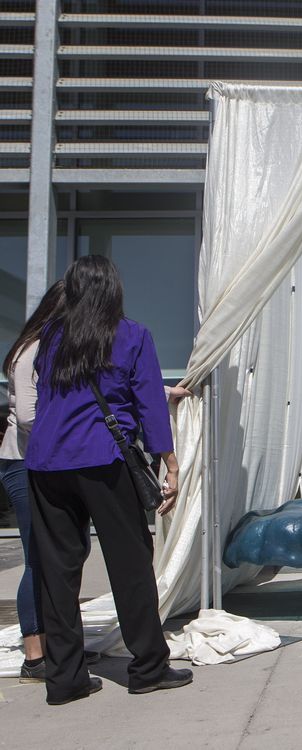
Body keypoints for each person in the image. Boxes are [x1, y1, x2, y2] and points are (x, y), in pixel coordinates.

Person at [25, 256, 193, 704]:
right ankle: (148, 668)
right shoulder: (132, 335)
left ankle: (65, 680)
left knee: (57, 573)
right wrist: (169, 464)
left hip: (45, 463)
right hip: (102, 460)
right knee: (130, 564)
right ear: (113, 290)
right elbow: (149, 409)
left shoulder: (52, 337)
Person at [0, 281, 66, 682]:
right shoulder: (32, 351)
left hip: (40, 463)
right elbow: (27, 416)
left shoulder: (50, 348)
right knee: (37, 559)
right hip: (24, 463)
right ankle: (35, 656)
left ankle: (55, 646)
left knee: (53, 558)